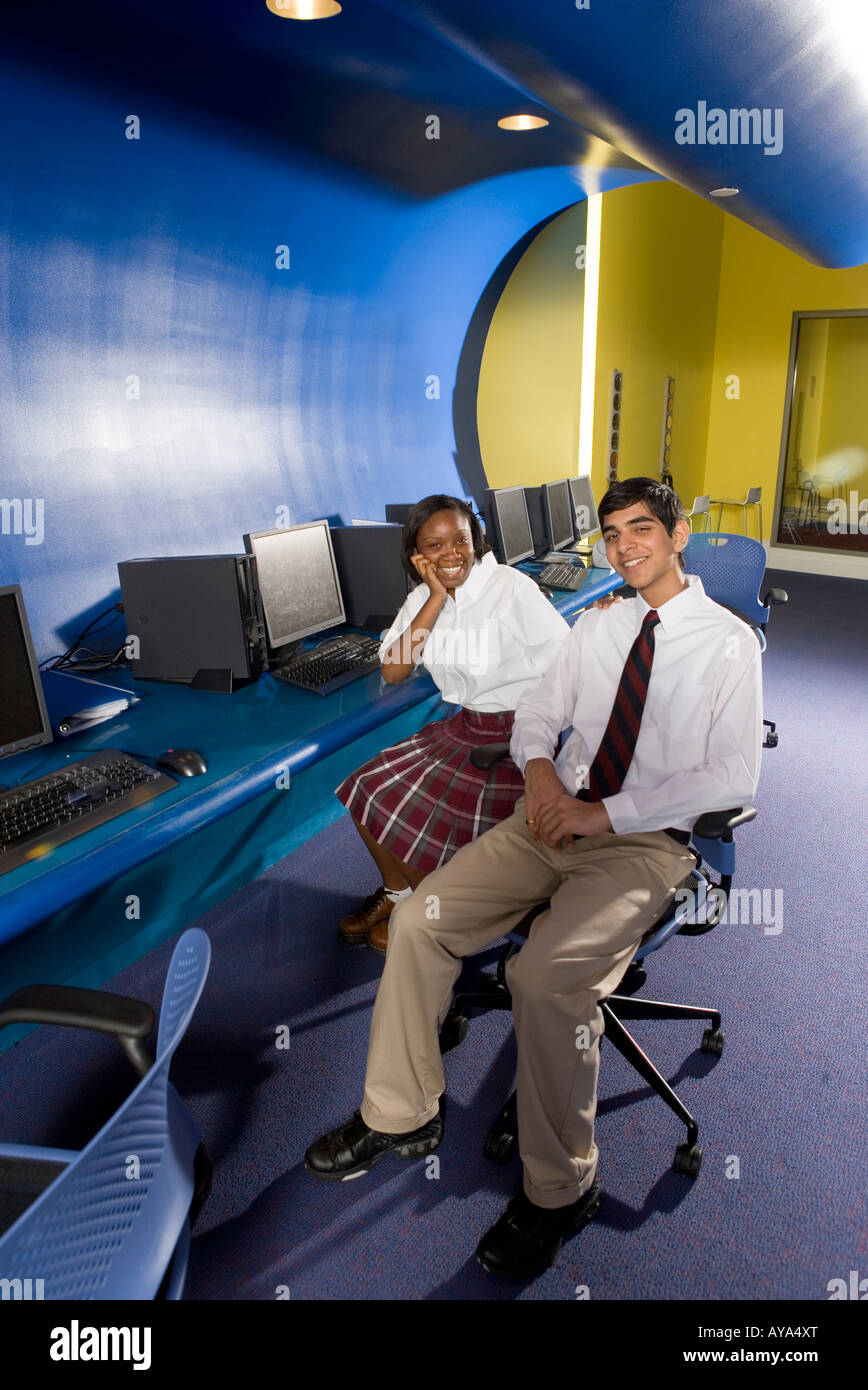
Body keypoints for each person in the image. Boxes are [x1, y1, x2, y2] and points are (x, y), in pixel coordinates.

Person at [306, 477, 763, 1279]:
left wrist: (605, 814)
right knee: (418, 920)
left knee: (544, 975)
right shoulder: (598, 627)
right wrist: (545, 779)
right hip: (547, 819)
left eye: (642, 530)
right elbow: (538, 717)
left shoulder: (728, 643)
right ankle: (402, 1112)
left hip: (641, 844)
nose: (624, 547)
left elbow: (733, 778)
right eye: (613, 534)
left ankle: (563, 1189)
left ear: (679, 533)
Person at [335, 494, 570, 953]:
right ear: (417, 555)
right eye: (435, 545)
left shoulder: (511, 588)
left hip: (518, 736)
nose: (451, 554)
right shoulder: (424, 597)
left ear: (475, 540)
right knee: (363, 787)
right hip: (464, 728)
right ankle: (400, 894)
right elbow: (393, 669)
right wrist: (436, 599)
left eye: (460, 540)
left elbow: (570, 665)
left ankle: (433, 923)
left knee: (440, 820)